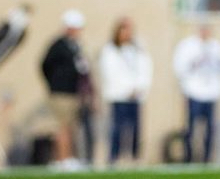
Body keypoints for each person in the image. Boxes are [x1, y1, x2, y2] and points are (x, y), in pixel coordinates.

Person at [173, 25, 220, 163]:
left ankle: (207, 158)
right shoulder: (188, 46)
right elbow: (180, 68)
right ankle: (188, 157)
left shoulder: (217, 47)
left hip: (211, 94)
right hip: (194, 92)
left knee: (210, 129)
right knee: (191, 127)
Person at [98, 17, 153, 165]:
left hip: (136, 96)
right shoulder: (110, 50)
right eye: (124, 29)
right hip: (118, 95)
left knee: (136, 128)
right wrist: (126, 89)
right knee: (117, 127)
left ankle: (135, 157)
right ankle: (114, 157)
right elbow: (110, 73)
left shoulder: (137, 49)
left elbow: (145, 69)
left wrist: (139, 88)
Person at [40, 9, 91, 170]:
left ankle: (68, 157)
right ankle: (61, 159)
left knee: (69, 127)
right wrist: (55, 83)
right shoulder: (58, 45)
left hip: (72, 92)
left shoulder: (74, 46)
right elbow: (45, 65)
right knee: (62, 127)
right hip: (60, 93)